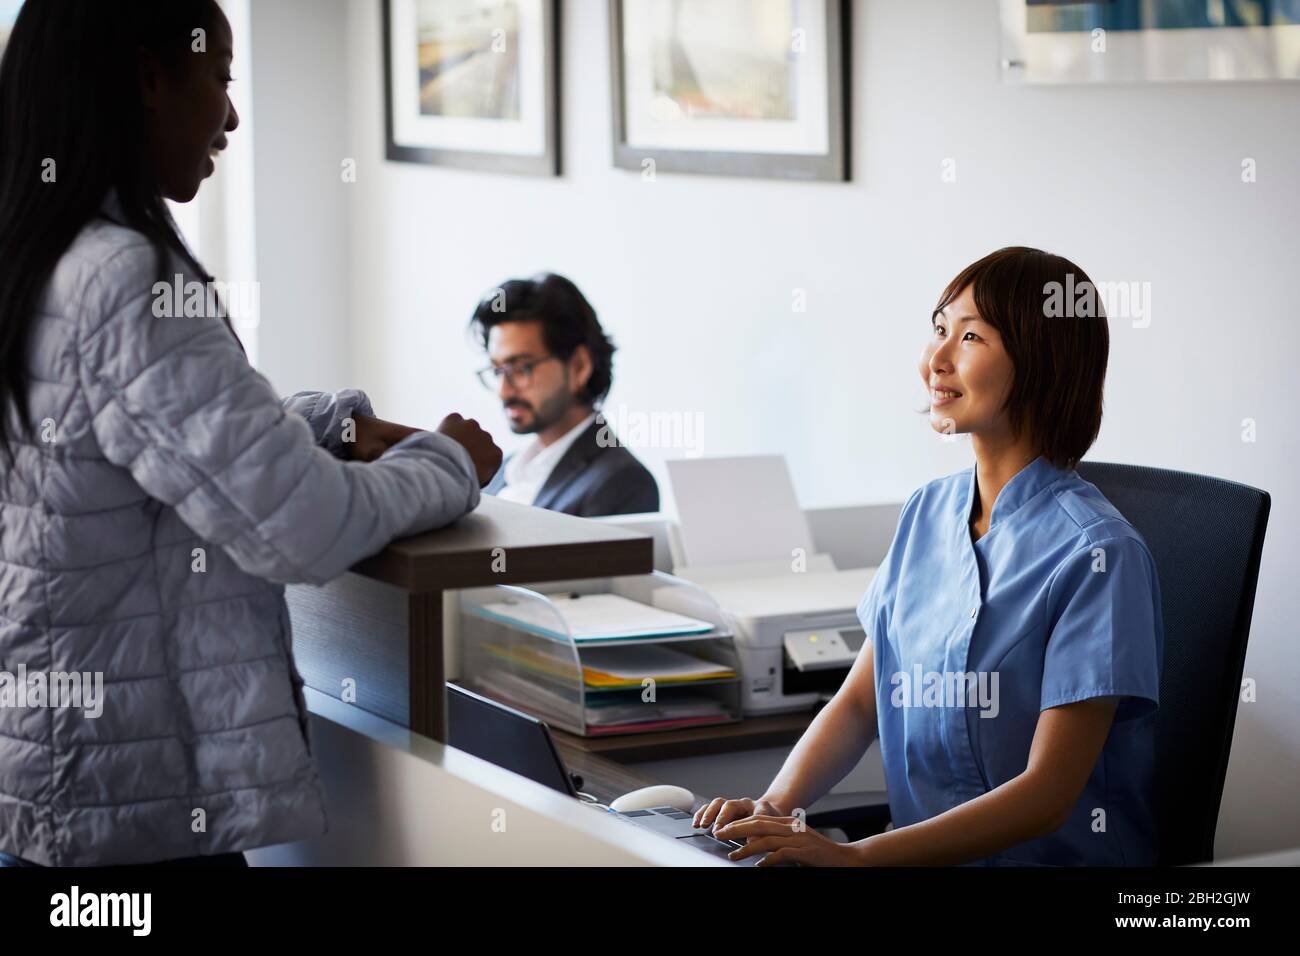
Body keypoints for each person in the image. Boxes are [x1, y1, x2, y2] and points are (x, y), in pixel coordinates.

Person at [0, 0, 500, 867]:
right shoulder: (126, 276)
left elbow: (123, 438)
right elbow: (302, 524)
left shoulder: (39, 245)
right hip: (131, 815)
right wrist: (450, 460)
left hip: (52, 779)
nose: (231, 116)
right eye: (220, 79)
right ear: (151, 77)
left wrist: (327, 425)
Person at [695, 247, 1164, 866]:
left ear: (1043, 362)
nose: (936, 360)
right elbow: (862, 700)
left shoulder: (1099, 554)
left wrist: (857, 859)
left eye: (970, 337)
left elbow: (1048, 795)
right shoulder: (927, 514)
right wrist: (775, 806)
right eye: (939, 330)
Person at [469, 273, 659, 517]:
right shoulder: (500, 472)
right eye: (498, 370)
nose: (504, 391)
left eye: (521, 368)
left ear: (579, 366)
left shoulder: (623, 482)